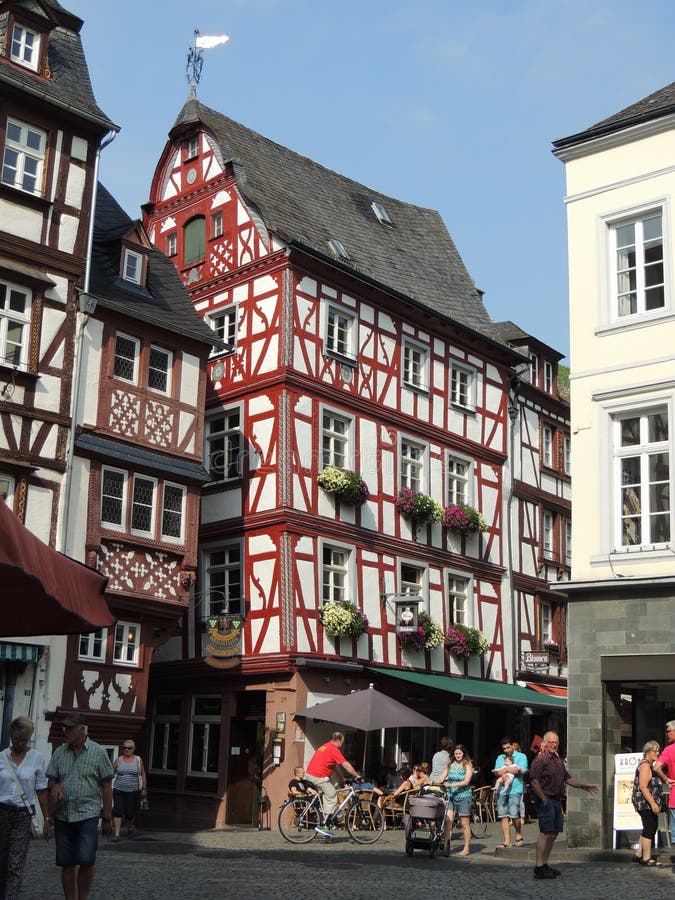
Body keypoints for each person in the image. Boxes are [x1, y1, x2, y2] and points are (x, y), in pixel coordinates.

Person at [46, 713, 114, 900]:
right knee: (67, 864)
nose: (65, 731)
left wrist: (107, 817)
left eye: (69, 728)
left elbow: (107, 786)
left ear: (82, 730)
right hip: (63, 814)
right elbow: (50, 780)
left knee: (86, 860)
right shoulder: (60, 752)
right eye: (64, 727)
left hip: (88, 814)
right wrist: (55, 785)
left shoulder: (98, 752)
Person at [528, 731, 597, 880]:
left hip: (556, 799)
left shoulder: (557, 760)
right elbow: (533, 780)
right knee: (545, 833)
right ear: (545, 743)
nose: (554, 744)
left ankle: (545, 864)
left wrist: (584, 786)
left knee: (553, 834)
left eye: (556, 742)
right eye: (551, 742)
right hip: (546, 799)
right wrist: (543, 798)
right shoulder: (541, 759)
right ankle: (539, 867)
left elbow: (567, 778)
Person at [0, 716, 50, 899]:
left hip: (23, 814)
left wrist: (46, 819)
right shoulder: (2, 757)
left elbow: (41, 789)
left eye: (23, 740)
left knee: (15, 863)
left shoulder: (36, 758)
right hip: (2, 812)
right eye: (16, 739)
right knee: (2, 861)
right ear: (11, 736)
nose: (19, 743)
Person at [304, 732, 359, 838]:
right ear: (338, 740)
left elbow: (336, 767)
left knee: (335, 787)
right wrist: (357, 776)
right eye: (342, 742)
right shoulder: (333, 749)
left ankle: (328, 820)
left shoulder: (326, 746)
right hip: (319, 776)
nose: (342, 745)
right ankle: (323, 825)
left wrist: (342, 779)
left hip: (314, 774)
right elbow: (346, 765)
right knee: (332, 795)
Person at [631, 740, 664, 867]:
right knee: (650, 827)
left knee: (649, 827)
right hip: (645, 803)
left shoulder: (649, 765)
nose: (657, 753)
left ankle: (638, 854)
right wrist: (653, 804)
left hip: (647, 802)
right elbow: (643, 787)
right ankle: (646, 858)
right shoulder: (645, 765)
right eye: (655, 751)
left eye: (658, 750)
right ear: (647, 752)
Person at [493, 735, 528, 848]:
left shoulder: (521, 756)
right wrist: (504, 773)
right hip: (502, 790)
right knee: (503, 815)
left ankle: (518, 833)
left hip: (516, 789)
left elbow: (520, 771)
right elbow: (497, 772)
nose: (506, 750)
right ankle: (507, 840)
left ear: (512, 745)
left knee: (514, 814)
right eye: (504, 748)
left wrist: (506, 769)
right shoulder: (500, 758)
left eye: (508, 747)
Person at [441, 744, 474, 856]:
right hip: (451, 797)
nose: (457, 755)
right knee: (448, 822)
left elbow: (466, 781)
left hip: (464, 797)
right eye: (455, 754)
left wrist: (452, 784)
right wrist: (432, 782)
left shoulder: (467, 764)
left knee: (465, 824)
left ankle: (466, 848)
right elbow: (443, 776)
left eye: (459, 753)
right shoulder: (450, 764)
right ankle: (446, 846)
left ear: (463, 753)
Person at [111, 739, 147, 842]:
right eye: (125, 748)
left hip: (133, 790)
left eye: (129, 748)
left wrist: (144, 788)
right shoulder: (118, 760)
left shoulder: (138, 760)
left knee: (130, 813)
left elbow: (143, 774)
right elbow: (111, 773)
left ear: (134, 749)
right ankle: (117, 834)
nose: (127, 750)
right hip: (119, 789)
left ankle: (130, 826)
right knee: (117, 811)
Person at [653, 719, 675, 846]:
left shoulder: (669, 750)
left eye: (668, 731)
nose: (667, 734)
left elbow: (656, 767)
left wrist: (666, 779)